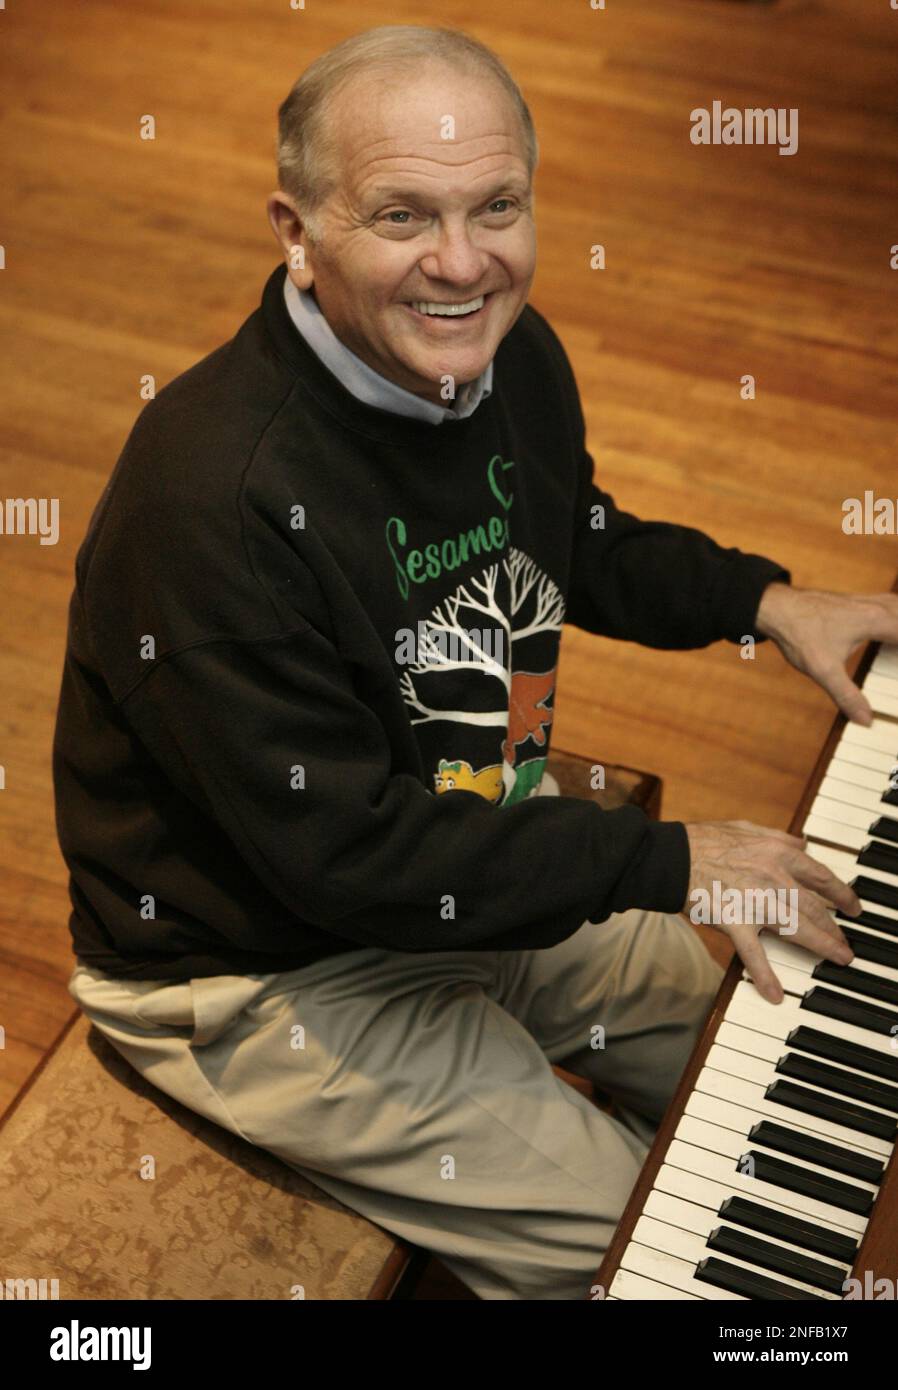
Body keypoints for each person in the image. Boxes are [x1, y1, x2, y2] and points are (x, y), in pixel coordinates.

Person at [53, 24, 897, 1300]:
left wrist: (766, 601)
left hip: (470, 841)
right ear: (296, 229)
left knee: (813, 1050)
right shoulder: (211, 506)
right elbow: (347, 856)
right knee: (668, 1249)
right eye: (402, 214)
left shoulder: (501, 357)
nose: (463, 264)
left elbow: (573, 532)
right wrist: (668, 862)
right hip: (265, 964)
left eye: (496, 205)